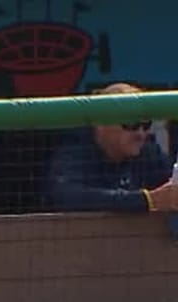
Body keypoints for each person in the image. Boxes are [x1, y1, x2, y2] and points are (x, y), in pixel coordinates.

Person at [42, 84, 178, 216]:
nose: (140, 133)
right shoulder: (78, 149)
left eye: (145, 125)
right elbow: (66, 196)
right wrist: (146, 200)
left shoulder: (147, 151)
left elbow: (171, 185)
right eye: (131, 124)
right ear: (101, 123)